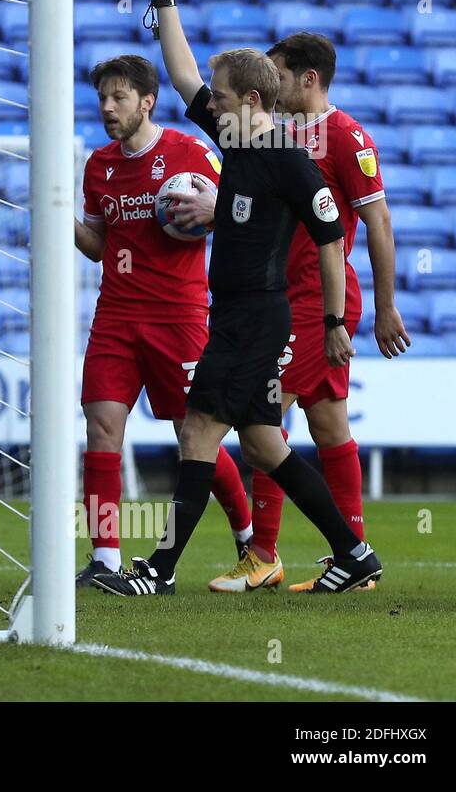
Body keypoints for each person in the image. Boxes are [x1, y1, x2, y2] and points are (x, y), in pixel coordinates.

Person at [91, 0, 383, 596]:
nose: (209, 102)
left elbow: (333, 239)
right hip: (240, 314)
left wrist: (335, 322)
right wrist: (166, 2)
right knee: (265, 448)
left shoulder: (290, 160)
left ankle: (157, 571)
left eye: (221, 96)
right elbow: (183, 73)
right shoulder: (238, 139)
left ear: (252, 101)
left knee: (197, 430)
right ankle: (355, 553)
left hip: (256, 317)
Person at [167, 32, 409, 592]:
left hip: (305, 301)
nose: (270, 83)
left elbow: (376, 222)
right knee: (325, 423)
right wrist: (165, 6)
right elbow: (190, 83)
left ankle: (266, 554)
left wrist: (382, 306)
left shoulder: (344, 138)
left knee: (267, 422)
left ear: (307, 78)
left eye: (279, 72)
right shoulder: (252, 133)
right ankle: (350, 553)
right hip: (277, 295)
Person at [74, 54, 252, 587]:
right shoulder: (99, 166)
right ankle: (105, 559)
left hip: (179, 316)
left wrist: (215, 210)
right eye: (103, 98)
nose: (108, 107)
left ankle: (247, 536)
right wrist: (60, 216)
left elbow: (238, 208)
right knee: (102, 427)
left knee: (192, 436)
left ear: (147, 101)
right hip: (116, 315)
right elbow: (99, 247)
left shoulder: (189, 151)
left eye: (119, 97)